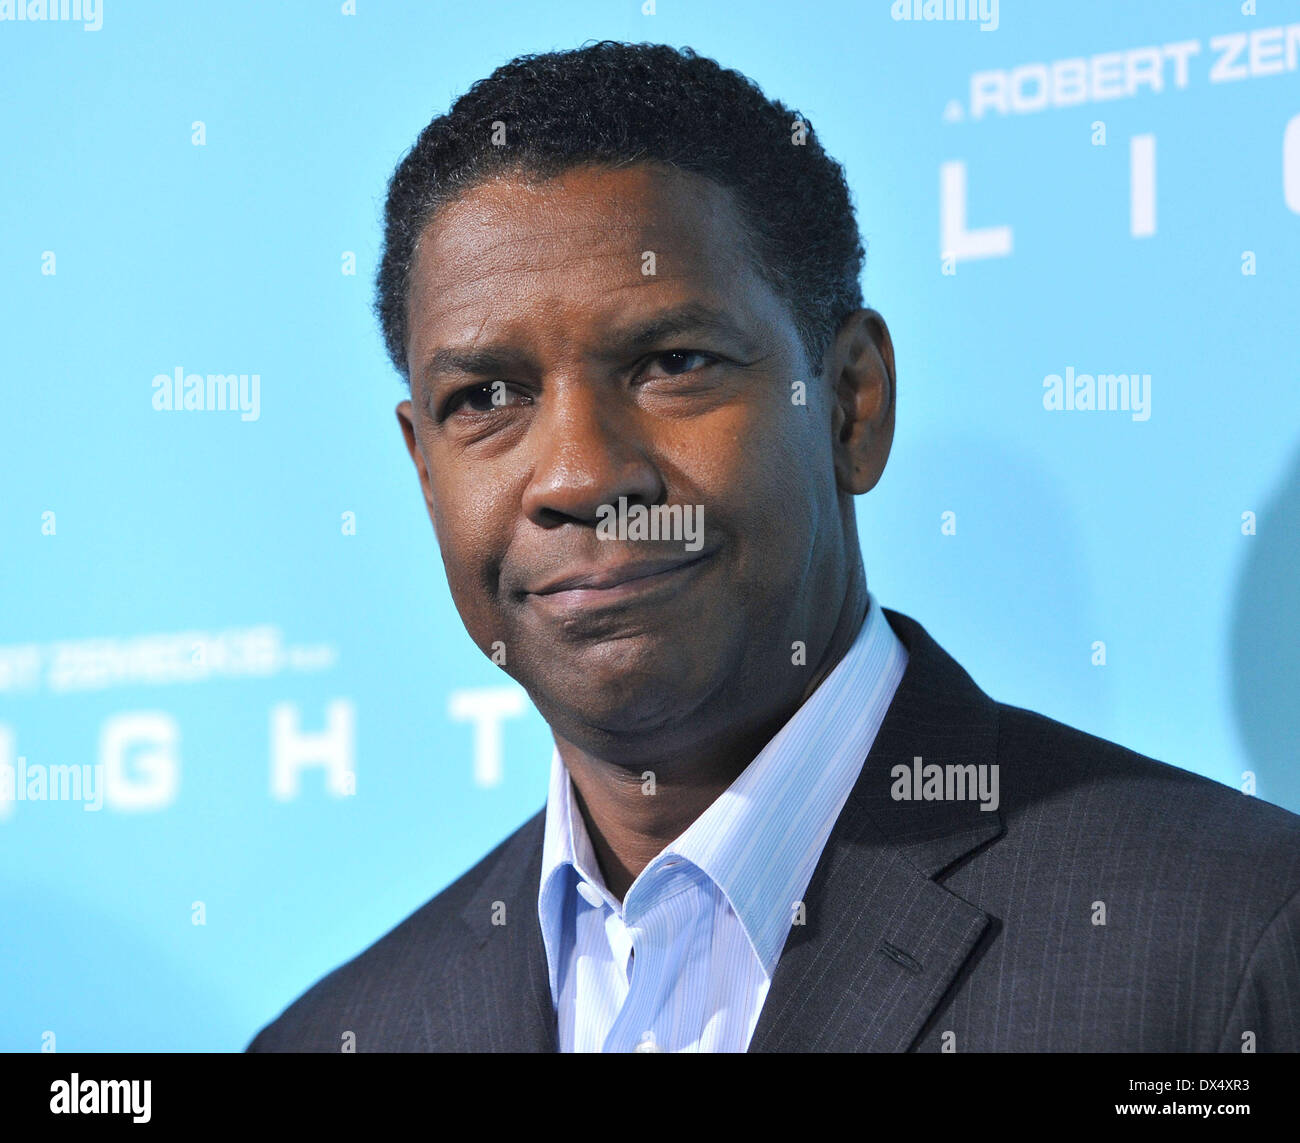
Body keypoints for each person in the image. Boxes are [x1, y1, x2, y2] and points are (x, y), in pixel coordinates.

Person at [247, 41, 1300, 1053]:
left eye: (672, 362)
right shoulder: (334, 1037)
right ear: (424, 465)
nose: (575, 476)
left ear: (849, 403)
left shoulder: (1232, 941)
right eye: (484, 397)